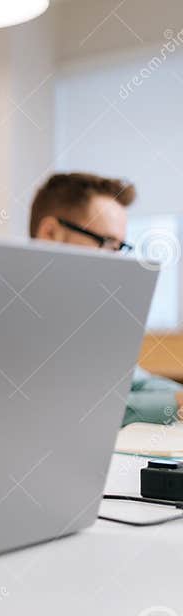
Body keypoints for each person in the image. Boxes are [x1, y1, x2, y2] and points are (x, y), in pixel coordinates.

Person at [29, 172, 183, 426]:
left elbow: (136, 382)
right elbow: (72, 409)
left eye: (121, 248)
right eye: (108, 244)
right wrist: (174, 404)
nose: (117, 260)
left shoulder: (84, 316)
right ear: (51, 233)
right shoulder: (13, 316)